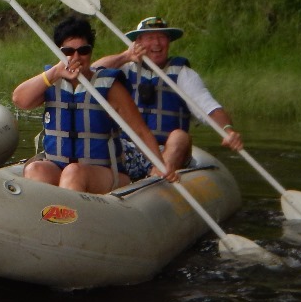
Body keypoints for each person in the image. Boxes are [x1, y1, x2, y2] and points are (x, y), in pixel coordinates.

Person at [10, 17, 166, 193]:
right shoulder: (52, 82)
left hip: (105, 174)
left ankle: (65, 218)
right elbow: (19, 99)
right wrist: (55, 72)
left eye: (83, 51)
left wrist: (160, 164)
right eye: (68, 51)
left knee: (74, 172)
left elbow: (140, 130)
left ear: (91, 52)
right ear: (59, 53)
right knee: (35, 169)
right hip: (60, 168)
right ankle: (45, 217)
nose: (76, 57)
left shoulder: (110, 86)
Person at [93, 15, 243, 179]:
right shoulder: (125, 69)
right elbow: (93, 73)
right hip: (130, 150)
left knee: (180, 137)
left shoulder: (183, 75)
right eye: (150, 38)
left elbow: (210, 108)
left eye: (161, 37)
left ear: (168, 42)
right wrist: (125, 56)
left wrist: (227, 130)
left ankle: (157, 178)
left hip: (167, 150)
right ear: (138, 43)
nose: (157, 43)